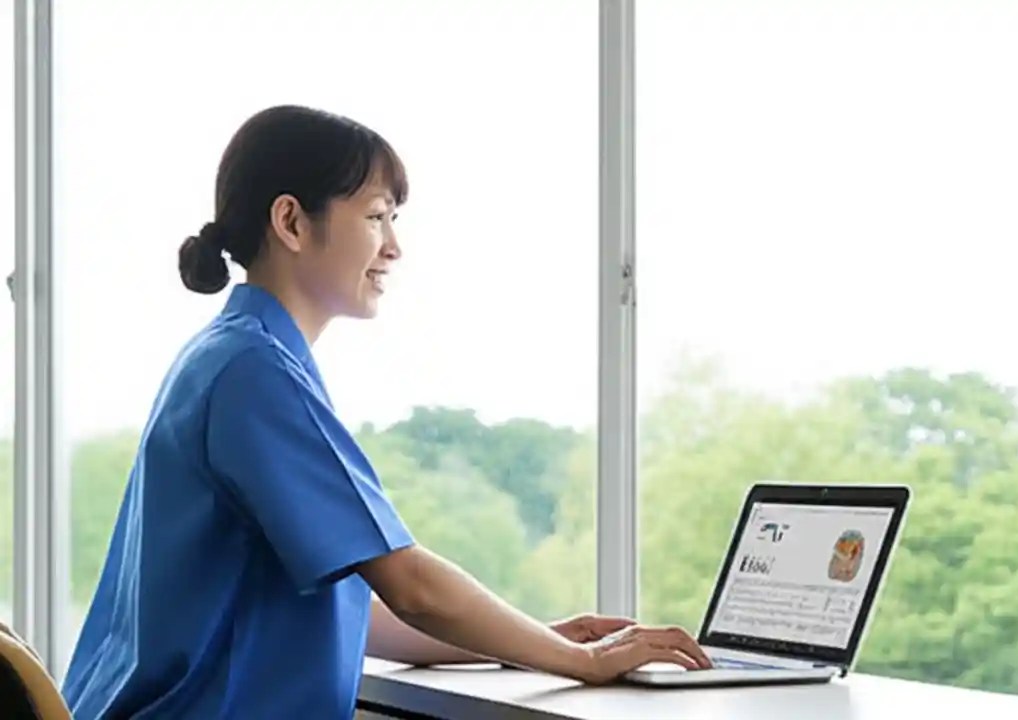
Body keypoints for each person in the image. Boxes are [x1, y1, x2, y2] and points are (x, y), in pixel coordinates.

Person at [61, 105, 711, 719]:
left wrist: (534, 638)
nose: (394, 247)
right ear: (291, 222)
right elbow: (412, 585)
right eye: (377, 217)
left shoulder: (231, 355)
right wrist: (578, 660)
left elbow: (358, 609)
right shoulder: (254, 374)